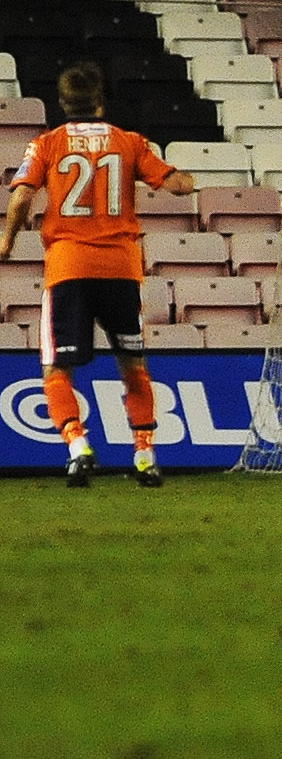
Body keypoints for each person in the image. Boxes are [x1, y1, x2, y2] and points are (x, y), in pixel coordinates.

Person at [0, 62, 197, 487]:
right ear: (101, 103)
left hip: (69, 266)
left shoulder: (46, 144)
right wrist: (187, 178)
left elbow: (20, 201)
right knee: (133, 365)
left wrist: (7, 242)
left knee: (56, 371)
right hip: (121, 268)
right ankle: (145, 455)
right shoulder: (129, 142)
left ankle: (78, 447)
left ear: (62, 105)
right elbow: (177, 185)